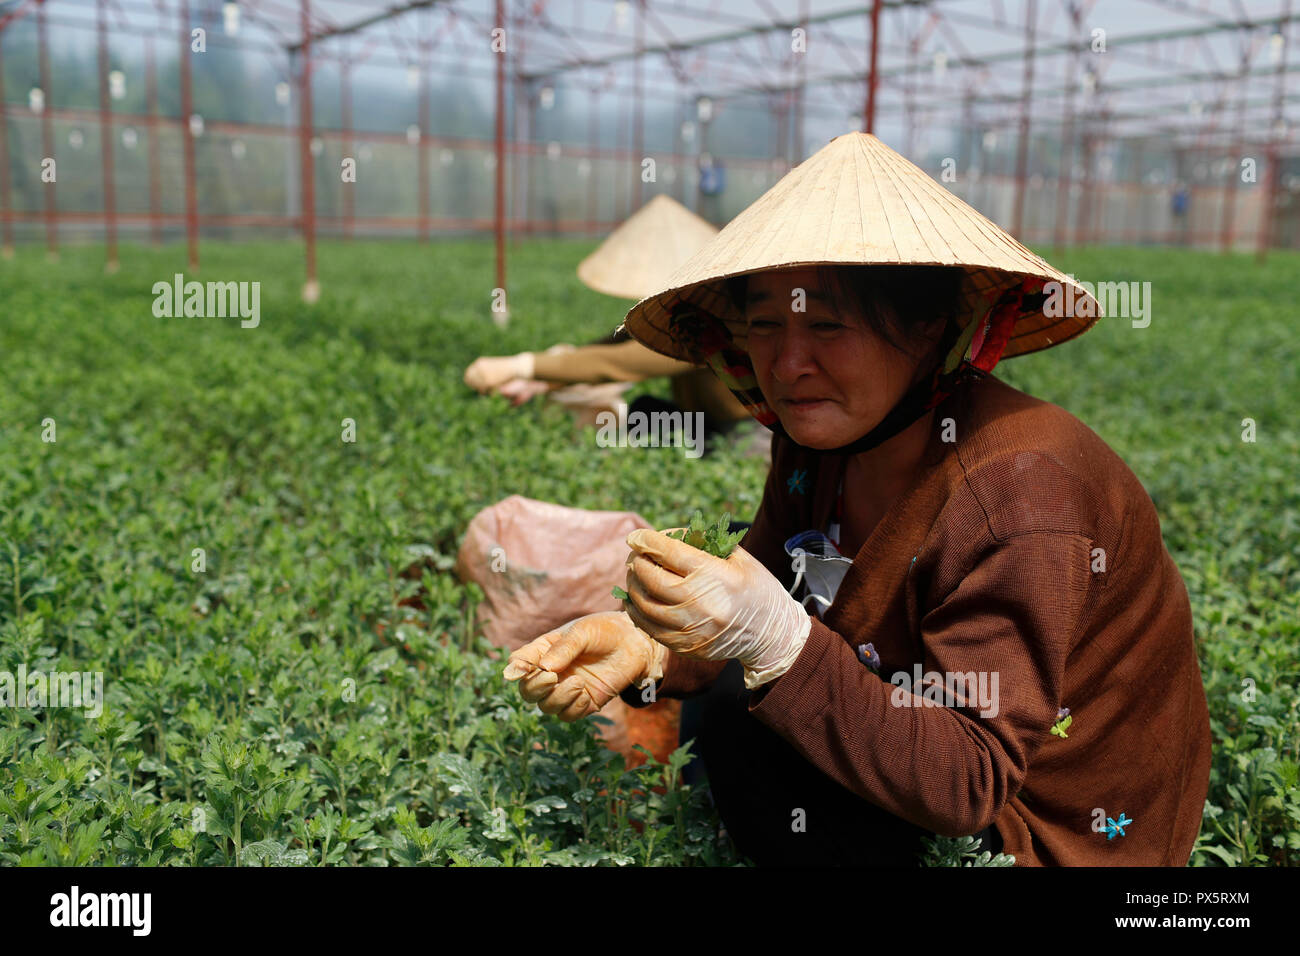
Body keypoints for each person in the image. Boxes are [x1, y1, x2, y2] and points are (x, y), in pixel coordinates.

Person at [503, 132, 1211, 866]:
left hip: (1043, 828)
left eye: (829, 326)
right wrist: (650, 646)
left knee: (746, 725)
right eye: (766, 326)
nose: (787, 364)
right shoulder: (817, 438)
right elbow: (773, 567)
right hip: (919, 718)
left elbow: (971, 781)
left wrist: (776, 640)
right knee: (740, 686)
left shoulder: (1020, 493)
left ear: (928, 325)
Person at [462, 194, 753, 444]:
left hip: (742, 434)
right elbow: (615, 344)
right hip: (703, 420)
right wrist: (542, 381)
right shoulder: (678, 319)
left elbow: (614, 364)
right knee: (645, 410)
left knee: (646, 423)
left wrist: (520, 365)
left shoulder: (706, 330)